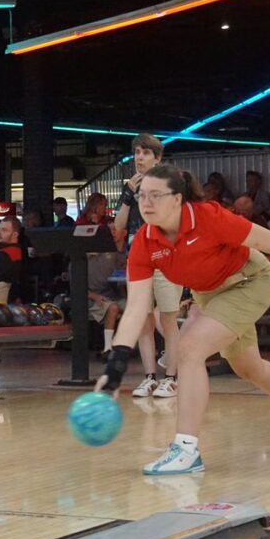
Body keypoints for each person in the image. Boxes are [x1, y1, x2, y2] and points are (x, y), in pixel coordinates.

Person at [96, 164, 270, 475]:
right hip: (210, 295)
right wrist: (114, 369)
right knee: (247, 367)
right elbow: (136, 308)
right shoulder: (144, 241)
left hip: (250, 281)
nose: (146, 203)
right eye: (142, 196)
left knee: (188, 350)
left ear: (178, 199)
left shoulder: (209, 217)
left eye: (156, 195)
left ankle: (186, 450)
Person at [113, 134, 182, 399]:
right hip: (137, 259)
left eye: (145, 153)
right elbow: (119, 225)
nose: (139, 158)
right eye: (137, 153)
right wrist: (130, 194)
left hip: (165, 257)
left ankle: (172, 378)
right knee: (143, 319)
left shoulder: (169, 184)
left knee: (168, 317)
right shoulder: (130, 187)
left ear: (157, 158)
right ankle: (150, 376)